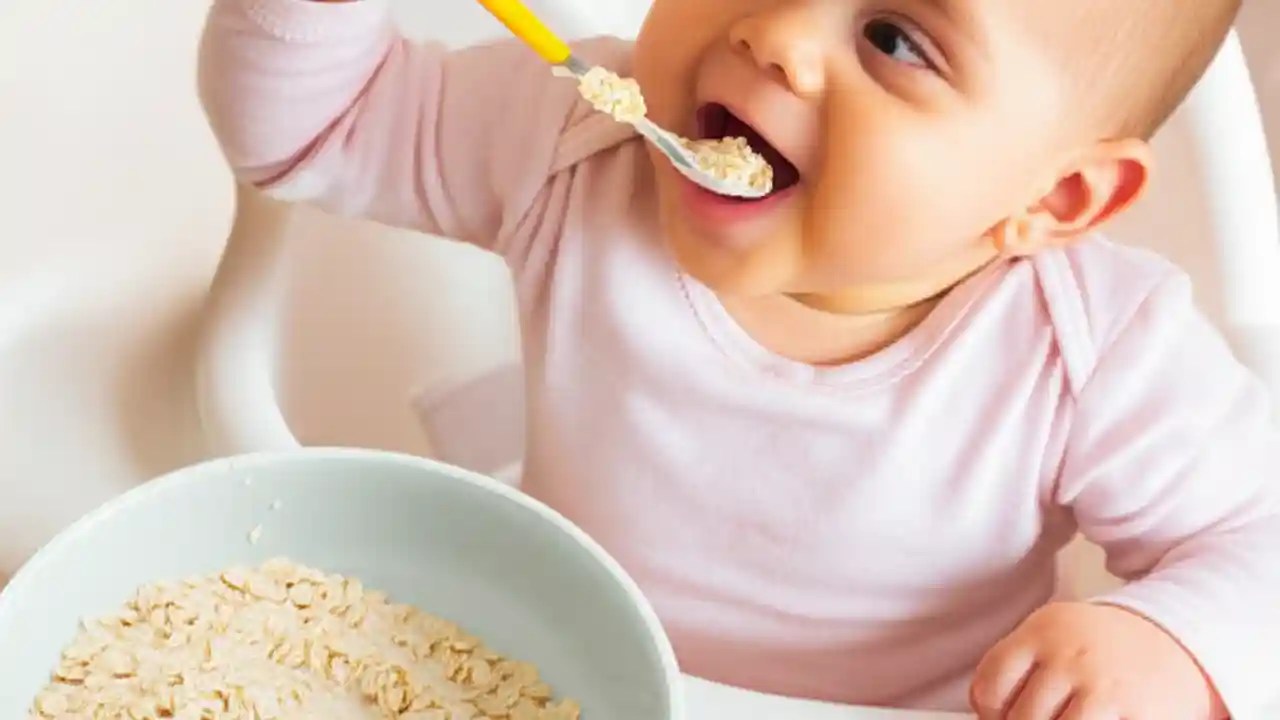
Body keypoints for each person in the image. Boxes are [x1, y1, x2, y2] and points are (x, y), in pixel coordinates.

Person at [199, 0, 1278, 716]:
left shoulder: (1089, 352)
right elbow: (311, 130)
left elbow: (1257, 539)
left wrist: (1166, 644)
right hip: (549, 668)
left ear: (1050, 200)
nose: (773, 35)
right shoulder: (571, 143)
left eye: (893, 39)